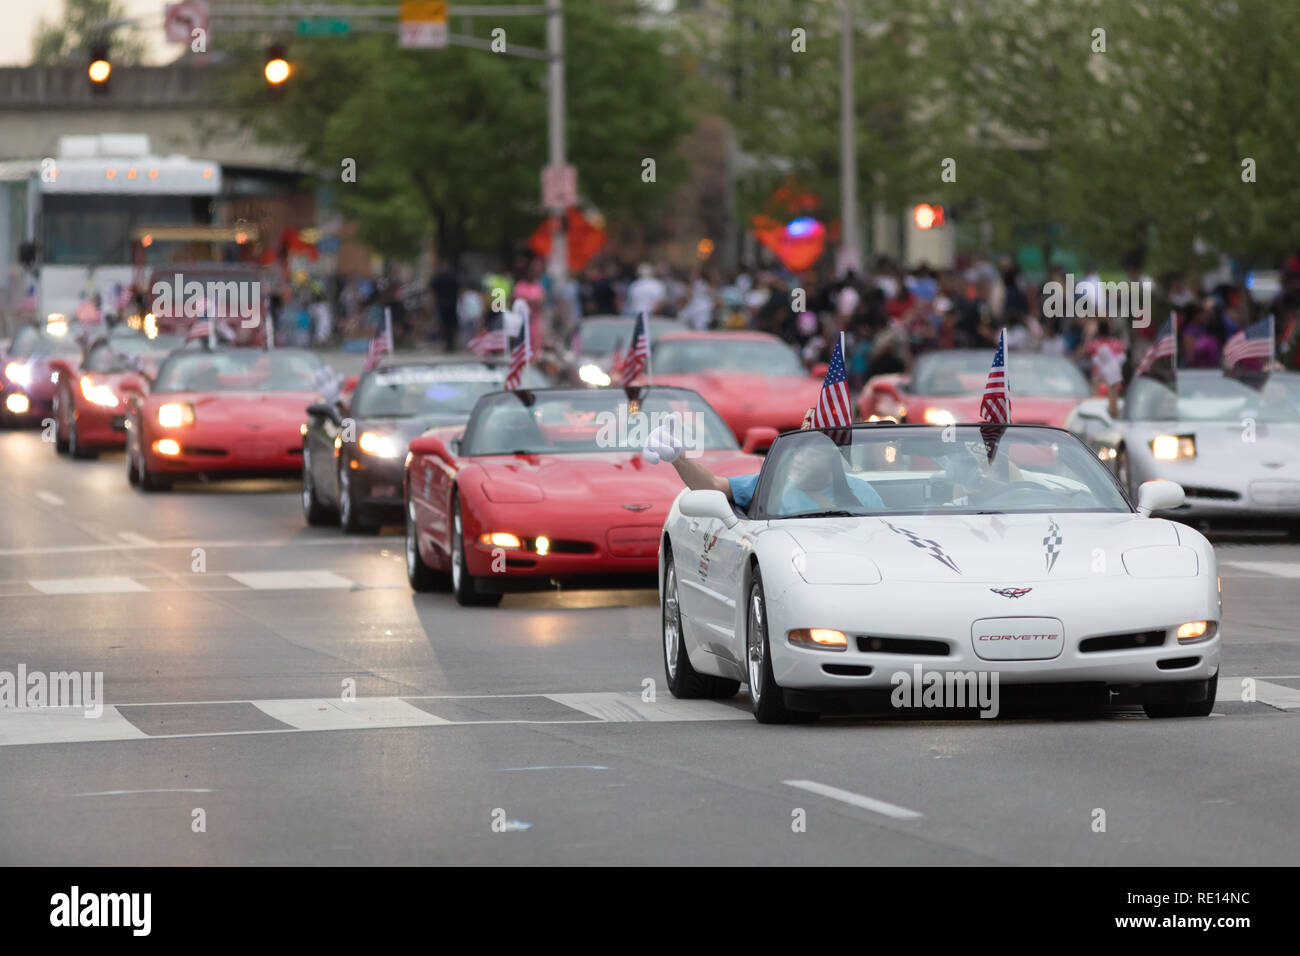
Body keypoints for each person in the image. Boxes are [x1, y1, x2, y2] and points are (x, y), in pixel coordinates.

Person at [642, 416, 884, 514]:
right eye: (797, 451)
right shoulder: (770, 486)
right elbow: (712, 485)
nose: (799, 458)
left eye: (811, 452)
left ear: (832, 458)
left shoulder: (863, 492)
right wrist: (679, 458)